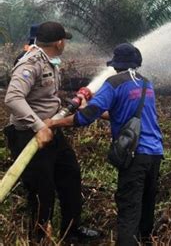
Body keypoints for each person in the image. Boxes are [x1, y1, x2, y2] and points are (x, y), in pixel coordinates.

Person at [47, 43, 164, 245]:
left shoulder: (114, 83)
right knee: (146, 207)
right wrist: (91, 109)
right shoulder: (146, 84)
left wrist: (54, 123)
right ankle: (146, 240)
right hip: (154, 154)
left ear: (117, 65)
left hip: (134, 156)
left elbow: (84, 118)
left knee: (129, 210)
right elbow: (125, 115)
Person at [3, 21, 99, 242]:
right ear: (59, 42)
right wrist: (39, 126)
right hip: (29, 135)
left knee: (71, 174)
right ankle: (38, 236)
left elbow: (46, 98)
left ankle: (72, 230)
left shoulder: (50, 61)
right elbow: (13, 98)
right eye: (64, 40)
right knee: (40, 189)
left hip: (51, 130)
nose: (64, 43)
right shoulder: (30, 64)